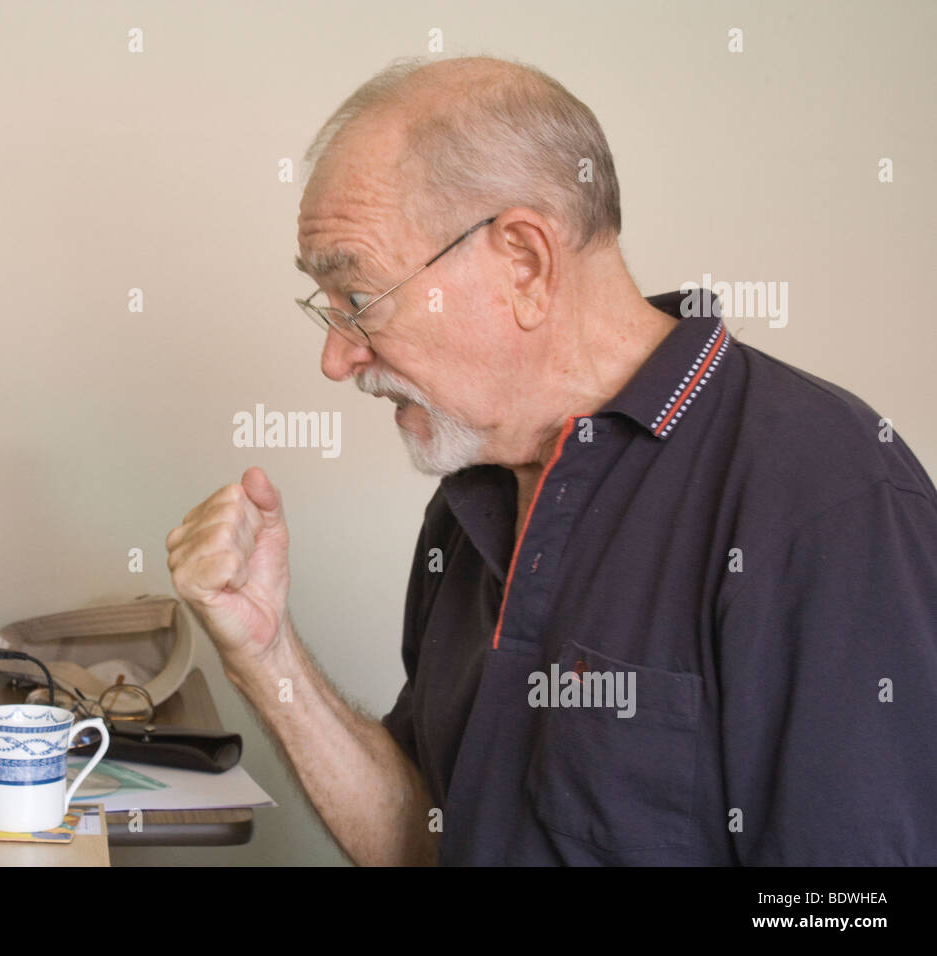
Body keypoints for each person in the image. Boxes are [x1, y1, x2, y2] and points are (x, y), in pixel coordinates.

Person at [165, 56, 937, 865]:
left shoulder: (830, 498)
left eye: (359, 301)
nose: (335, 359)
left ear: (524, 263)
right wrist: (264, 652)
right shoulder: (471, 495)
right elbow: (429, 840)